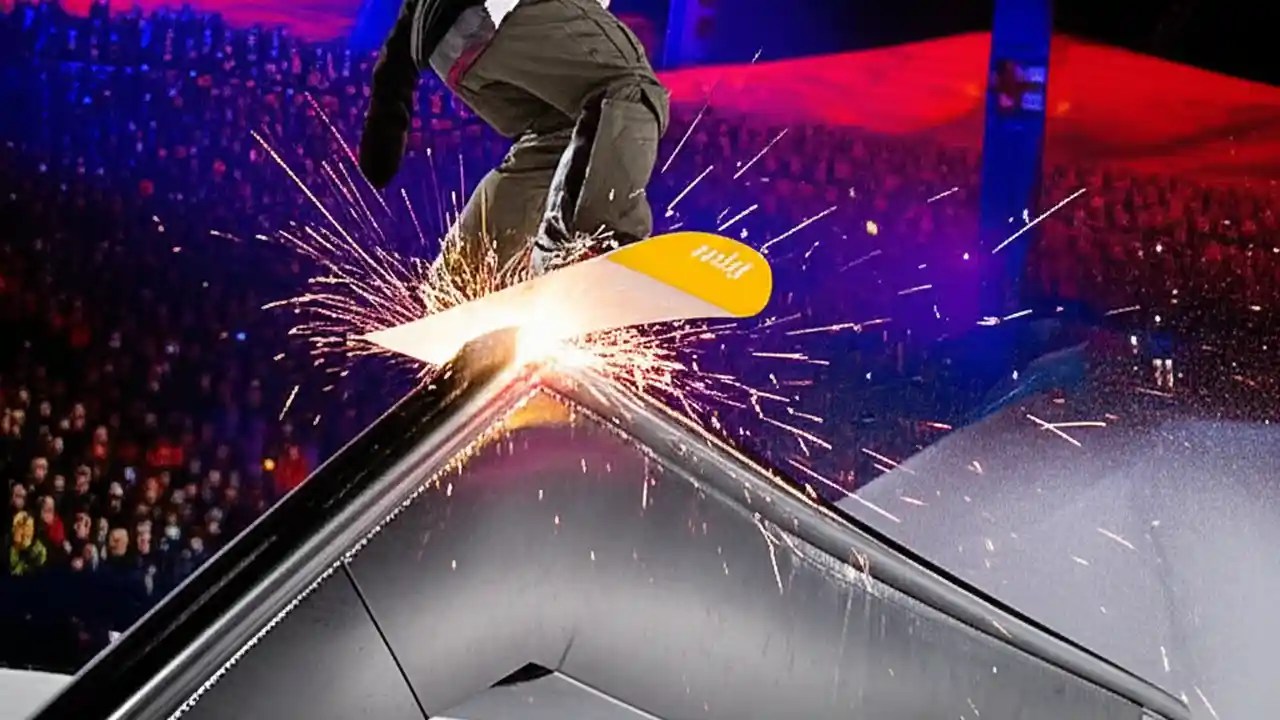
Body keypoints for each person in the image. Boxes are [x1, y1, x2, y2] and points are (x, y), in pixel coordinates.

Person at [359, 0, 670, 275]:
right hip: (502, 17)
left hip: (451, 46)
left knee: (565, 132)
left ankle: (471, 274)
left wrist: (388, 104)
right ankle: (592, 244)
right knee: (627, 86)